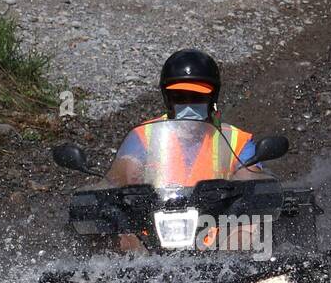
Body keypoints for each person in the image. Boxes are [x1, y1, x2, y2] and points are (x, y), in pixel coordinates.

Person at [106, 49, 265, 188]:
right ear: (168, 99)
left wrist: (248, 184)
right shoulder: (144, 136)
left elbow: (252, 185)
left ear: (212, 98)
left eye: (197, 97)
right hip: (156, 220)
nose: (188, 105)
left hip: (214, 221)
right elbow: (120, 176)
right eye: (179, 97)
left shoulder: (237, 142)